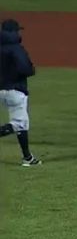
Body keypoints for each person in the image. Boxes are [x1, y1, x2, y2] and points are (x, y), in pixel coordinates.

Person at [0, 19, 40, 166]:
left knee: (22, 123)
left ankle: (27, 157)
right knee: (20, 123)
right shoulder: (16, 48)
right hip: (15, 90)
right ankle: (27, 158)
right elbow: (25, 69)